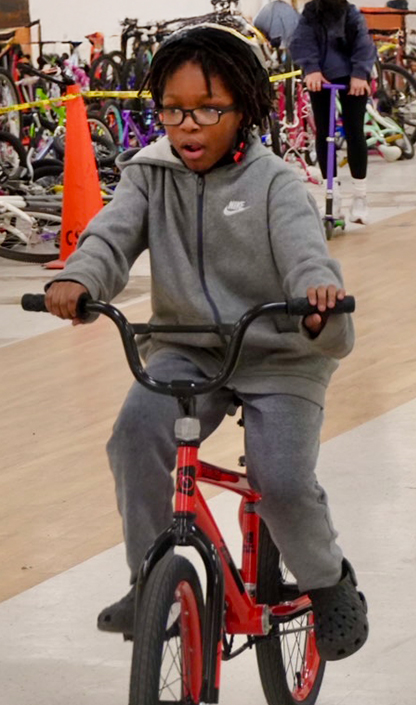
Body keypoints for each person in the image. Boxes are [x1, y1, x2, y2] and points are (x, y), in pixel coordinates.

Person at [44, 24, 368, 661]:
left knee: (278, 480)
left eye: (208, 110)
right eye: (173, 110)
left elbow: (307, 257)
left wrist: (315, 302)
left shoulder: (275, 183)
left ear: (242, 108)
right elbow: (111, 236)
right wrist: (80, 276)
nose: (188, 127)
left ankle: (329, 581)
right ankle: (150, 580)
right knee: (134, 434)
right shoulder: (149, 175)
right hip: (187, 347)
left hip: (278, 352)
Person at [288, 0, 378, 224]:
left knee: (354, 131)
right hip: (321, 77)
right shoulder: (311, 12)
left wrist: (359, 73)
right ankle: (333, 194)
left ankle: (360, 197)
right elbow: (302, 40)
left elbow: (363, 43)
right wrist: (311, 69)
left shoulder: (351, 13)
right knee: (324, 133)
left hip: (352, 76)